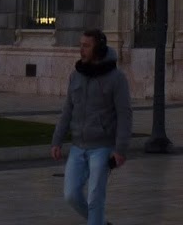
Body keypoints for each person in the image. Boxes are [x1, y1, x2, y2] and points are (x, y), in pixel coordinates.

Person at [51, 28, 131, 225]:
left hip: (102, 148)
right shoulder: (75, 76)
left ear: (99, 48)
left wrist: (120, 149)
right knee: (70, 194)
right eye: (81, 45)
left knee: (95, 197)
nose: (82, 50)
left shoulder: (116, 78)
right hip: (78, 147)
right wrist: (57, 141)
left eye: (86, 46)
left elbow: (124, 114)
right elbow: (67, 110)